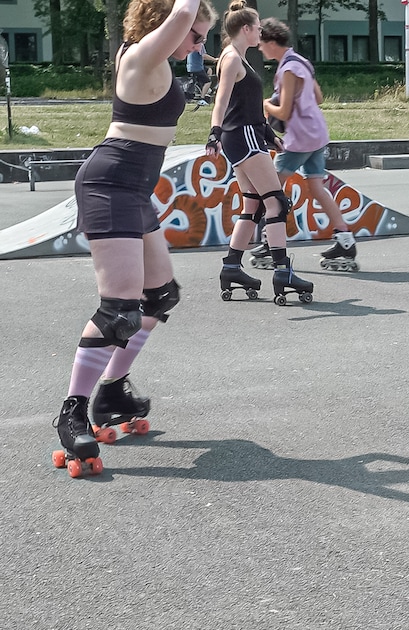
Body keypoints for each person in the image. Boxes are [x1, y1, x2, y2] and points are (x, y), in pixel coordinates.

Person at [52, 0, 215, 478]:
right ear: (165, 23)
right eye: (197, 36)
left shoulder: (151, 57)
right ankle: (72, 412)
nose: (198, 46)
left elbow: (186, 19)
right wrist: (185, 16)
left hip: (134, 187)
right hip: (110, 184)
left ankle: (112, 391)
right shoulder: (142, 57)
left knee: (160, 296)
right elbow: (184, 13)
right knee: (118, 311)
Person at [207, 1, 314, 304]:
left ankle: (231, 267)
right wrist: (214, 133)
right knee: (277, 202)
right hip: (242, 138)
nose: (261, 32)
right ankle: (283, 272)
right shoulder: (231, 60)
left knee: (252, 204)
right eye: (257, 27)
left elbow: (247, 105)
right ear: (245, 29)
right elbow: (222, 101)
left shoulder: (239, 57)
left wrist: (269, 134)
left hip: (248, 136)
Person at [258, 18, 358, 272]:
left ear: (271, 43)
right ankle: (345, 240)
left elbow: (284, 110)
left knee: (271, 188)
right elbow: (319, 97)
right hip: (316, 133)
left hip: (299, 138)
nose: (259, 49)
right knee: (317, 187)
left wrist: (266, 104)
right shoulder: (301, 62)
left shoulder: (288, 70)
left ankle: (271, 243)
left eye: (261, 44)